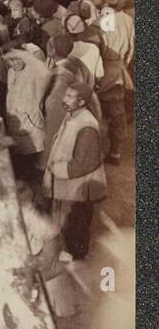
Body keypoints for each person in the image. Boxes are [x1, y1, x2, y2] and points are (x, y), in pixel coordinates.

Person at [42, 83, 107, 261]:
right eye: (66, 95)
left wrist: (57, 169)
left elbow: (84, 163)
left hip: (79, 188)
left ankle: (77, 256)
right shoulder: (73, 116)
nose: (65, 99)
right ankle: (71, 250)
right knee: (70, 220)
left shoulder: (86, 125)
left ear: (82, 102)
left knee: (76, 222)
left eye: (70, 97)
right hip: (71, 185)